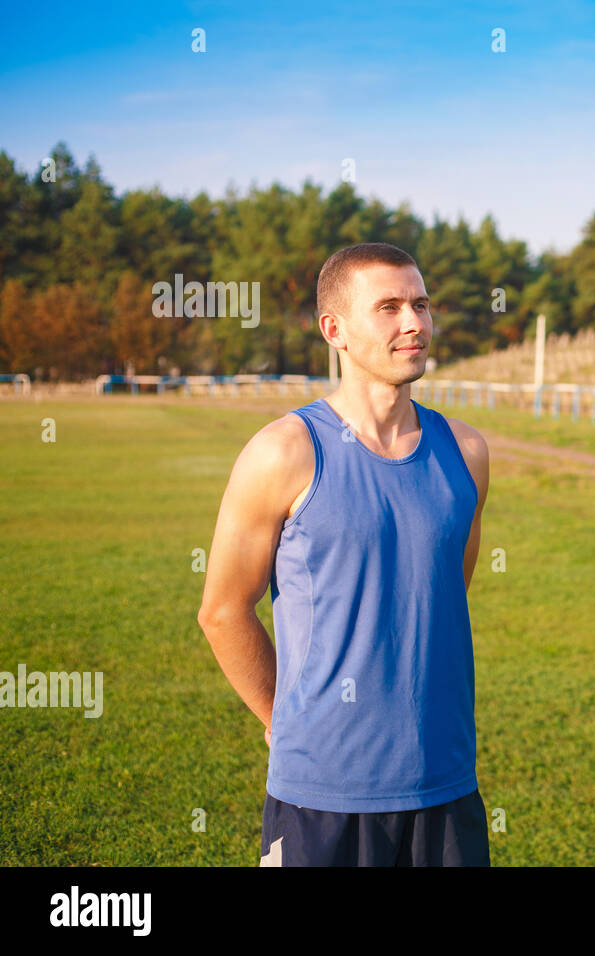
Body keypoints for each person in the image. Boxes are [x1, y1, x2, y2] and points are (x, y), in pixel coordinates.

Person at [197, 242, 491, 866]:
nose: (413, 322)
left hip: (444, 782)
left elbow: (441, 592)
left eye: (420, 304)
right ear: (336, 330)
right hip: (321, 796)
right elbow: (223, 609)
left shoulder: (465, 452)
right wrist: (286, 722)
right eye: (388, 307)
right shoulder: (285, 452)